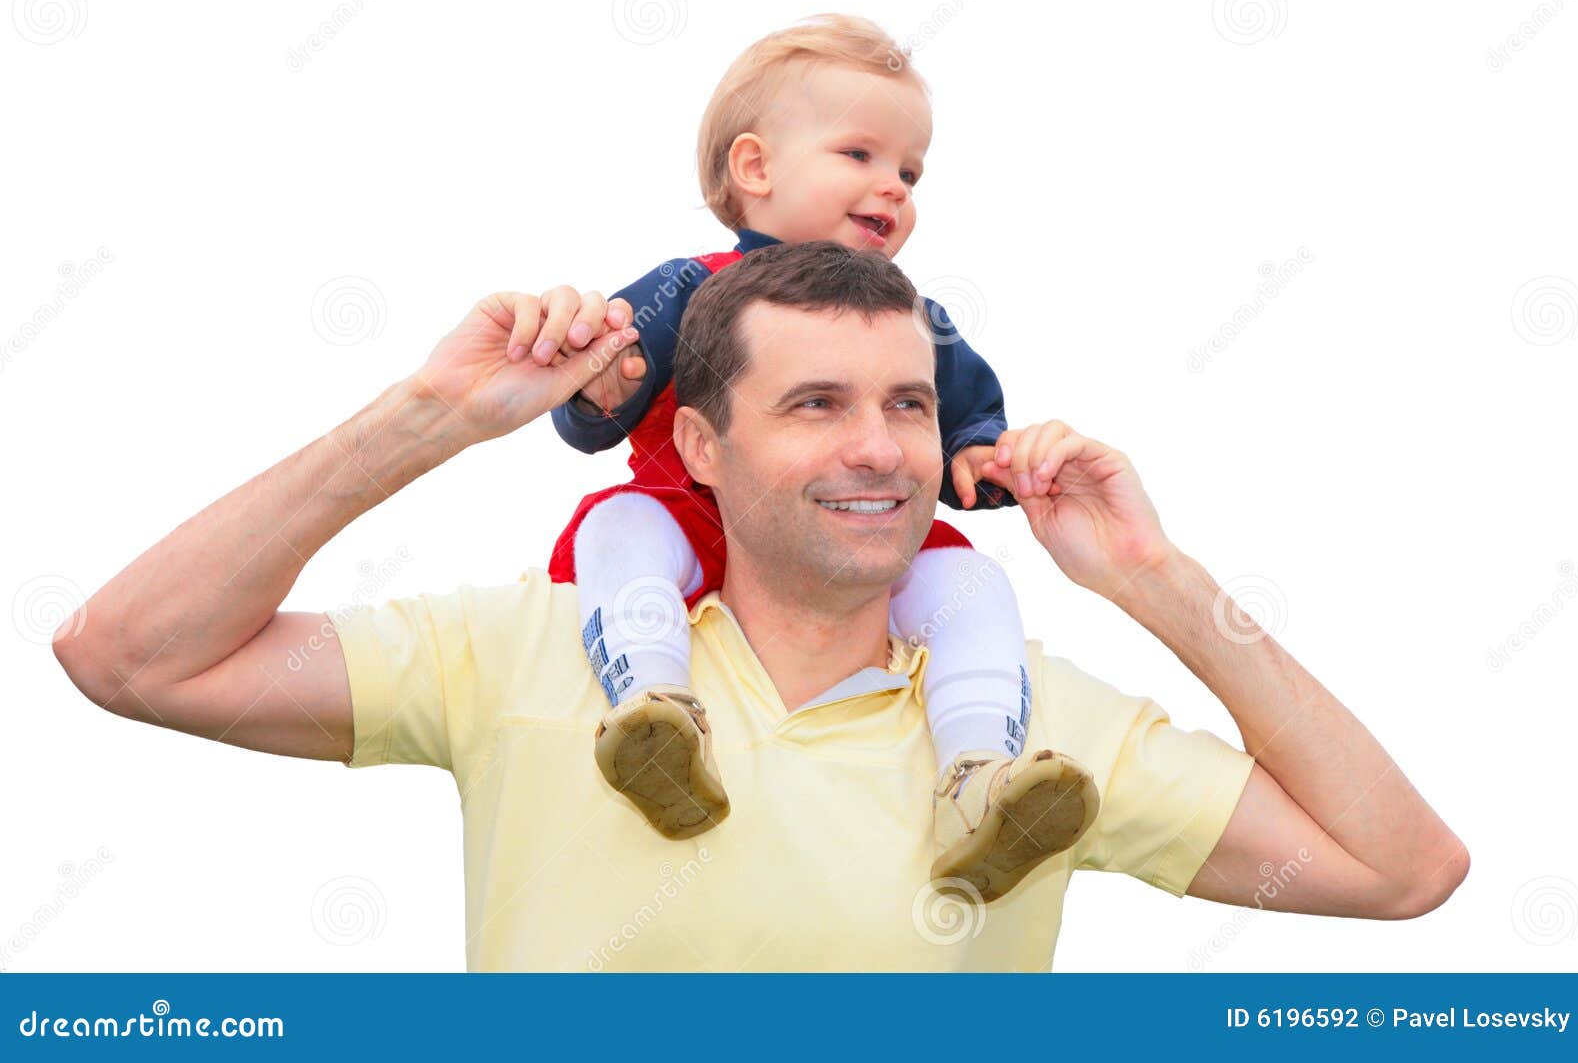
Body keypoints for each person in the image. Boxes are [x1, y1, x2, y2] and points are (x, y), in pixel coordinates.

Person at [51, 241, 1469, 971]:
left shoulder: (1036, 727)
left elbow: (1399, 869)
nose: (882, 447)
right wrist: (429, 417)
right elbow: (129, 654)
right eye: (818, 404)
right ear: (705, 452)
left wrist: (1160, 583)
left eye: (909, 405)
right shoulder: (521, 652)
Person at [538, 14, 1094, 898]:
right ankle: (653, 713)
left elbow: (963, 425)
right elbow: (596, 397)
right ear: (755, 168)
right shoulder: (688, 285)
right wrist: (600, 387)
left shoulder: (909, 314)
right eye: (861, 155)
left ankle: (979, 775)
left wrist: (986, 459)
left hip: (845, 539)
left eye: (910, 171)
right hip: (692, 518)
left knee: (976, 586)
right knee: (618, 525)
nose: (895, 186)